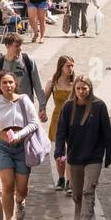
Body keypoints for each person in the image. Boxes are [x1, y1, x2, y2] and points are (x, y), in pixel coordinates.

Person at [0, 71, 42, 220]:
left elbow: (35, 123)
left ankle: (20, 201)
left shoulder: (24, 100)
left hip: (22, 148)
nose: (8, 86)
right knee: (7, 185)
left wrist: (20, 135)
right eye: (4, 83)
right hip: (3, 148)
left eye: (10, 82)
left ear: (15, 84)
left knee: (21, 189)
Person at [54, 74, 111, 220]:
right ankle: (80, 219)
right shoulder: (68, 107)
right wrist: (59, 152)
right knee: (77, 193)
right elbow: (61, 132)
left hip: (94, 156)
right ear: (75, 89)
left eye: (84, 88)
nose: (81, 91)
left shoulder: (99, 106)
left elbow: (107, 132)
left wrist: (109, 154)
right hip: (75, 157)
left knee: (89, 190)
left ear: (90, 88)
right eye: (78, 88)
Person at [0, 33, 47, 118]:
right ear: (8, 46)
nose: (20, 49)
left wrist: (42, 106)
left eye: (21, 46)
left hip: (25, 108)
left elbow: (38, 85)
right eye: (17, 46)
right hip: (5, 108)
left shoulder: (28, 61)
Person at [44, 55, 75, 191]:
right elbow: (43, 100)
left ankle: (70, 181)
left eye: (72, 66)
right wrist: (42, 111)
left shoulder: (75, 84)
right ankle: (61, 178)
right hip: (57, 119)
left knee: (71, 151)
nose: (71, 69)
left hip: (73, 120)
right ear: (61, 67)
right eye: (68, 66)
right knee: (59, 151)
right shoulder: (52, 82)